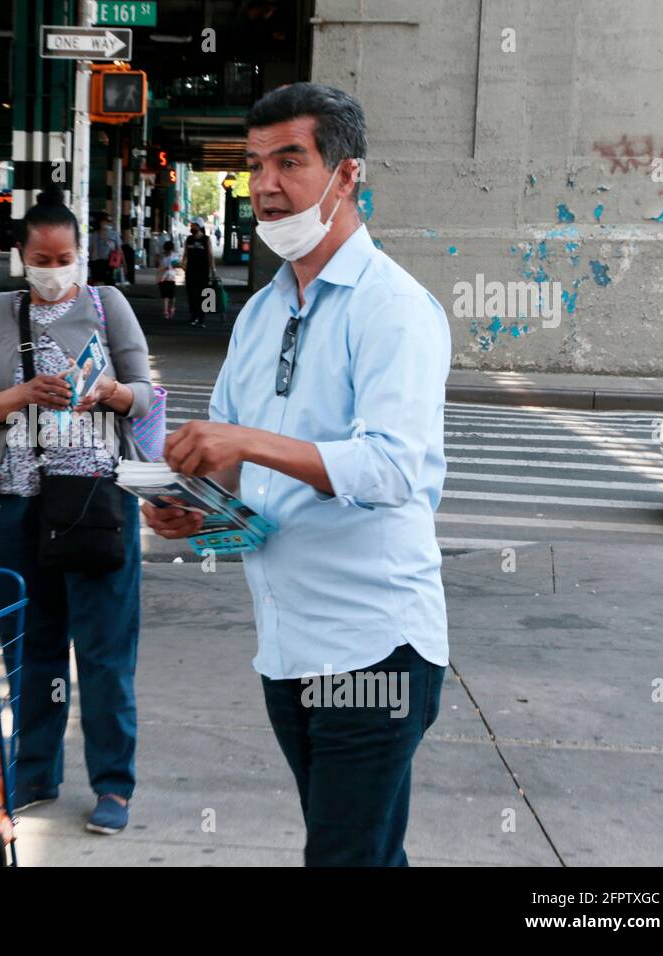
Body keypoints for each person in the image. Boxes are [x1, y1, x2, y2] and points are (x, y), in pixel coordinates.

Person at [143, 82, 450, 866]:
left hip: (374, 653)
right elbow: (250, 489)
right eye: (254, 165)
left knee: (343, 858)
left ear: (347, 175)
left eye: (290, 160)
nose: (266, 185)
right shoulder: (261, 314)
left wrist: (244, 441)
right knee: (365, 854)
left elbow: (390, 467)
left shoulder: (394, 309)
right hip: (287, 650)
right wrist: (199, 512)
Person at [0, 184, 153, 835]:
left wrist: (112, 392)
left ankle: (113, 786)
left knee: (103, 652)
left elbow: (146, 396)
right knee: (28, 649)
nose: (53, 270)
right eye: (41, 259)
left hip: (98, 501)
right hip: (17, 505)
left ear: (81, 255)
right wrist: (20, 394)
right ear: (22, 257)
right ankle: (36, 770)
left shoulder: (109, 305)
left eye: (64, 256)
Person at [183, 219, 217, 327]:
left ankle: (202, 318)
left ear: (199, 226)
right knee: (191, 294)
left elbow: (210, 255)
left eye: (193, 225)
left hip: (202, 271)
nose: (191, 227)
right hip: (190, 271)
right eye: (191, 225)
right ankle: (193, 316)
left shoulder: (206, 239)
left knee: (203, 294)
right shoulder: (188, 239)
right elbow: (185, 254)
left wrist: (213, 270)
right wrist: (182, 264)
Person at [156, 241, 179, 319]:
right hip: (165, 278)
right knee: (168, 296)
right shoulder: (164, 256)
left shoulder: (171, 256)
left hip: (166, 278)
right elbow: (175, 265)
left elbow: (175, 265)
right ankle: (167, 310)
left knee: (168, 296)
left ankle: (169, 310)